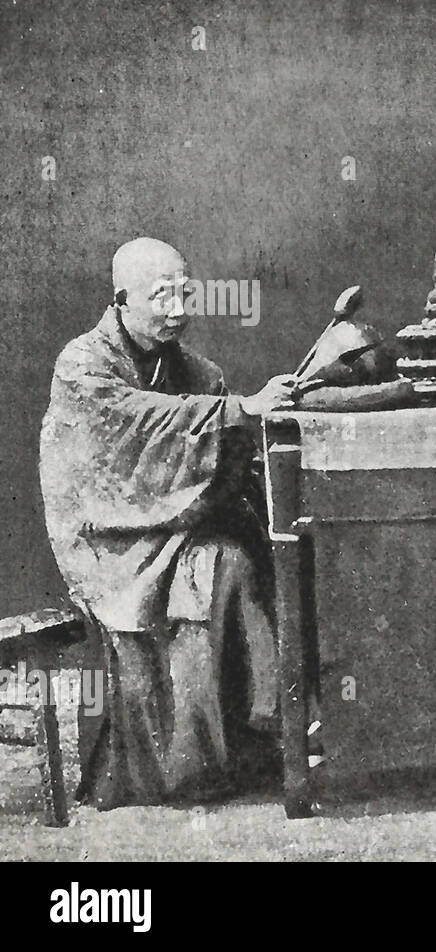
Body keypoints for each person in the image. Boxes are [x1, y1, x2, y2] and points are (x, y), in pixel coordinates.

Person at [39, 236, 299, 808]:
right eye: (162, 296)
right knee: (212, 571)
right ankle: (173, 773)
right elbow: (133, 425)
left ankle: (243, 745)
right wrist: (238, 410)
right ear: (121, 298)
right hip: (112, 541)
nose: (178, 308)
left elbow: (226, 459)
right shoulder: (83, 364)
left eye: (185, 292)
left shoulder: (200, 373)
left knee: (237, 561)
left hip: (184, 528)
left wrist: (243, 447)